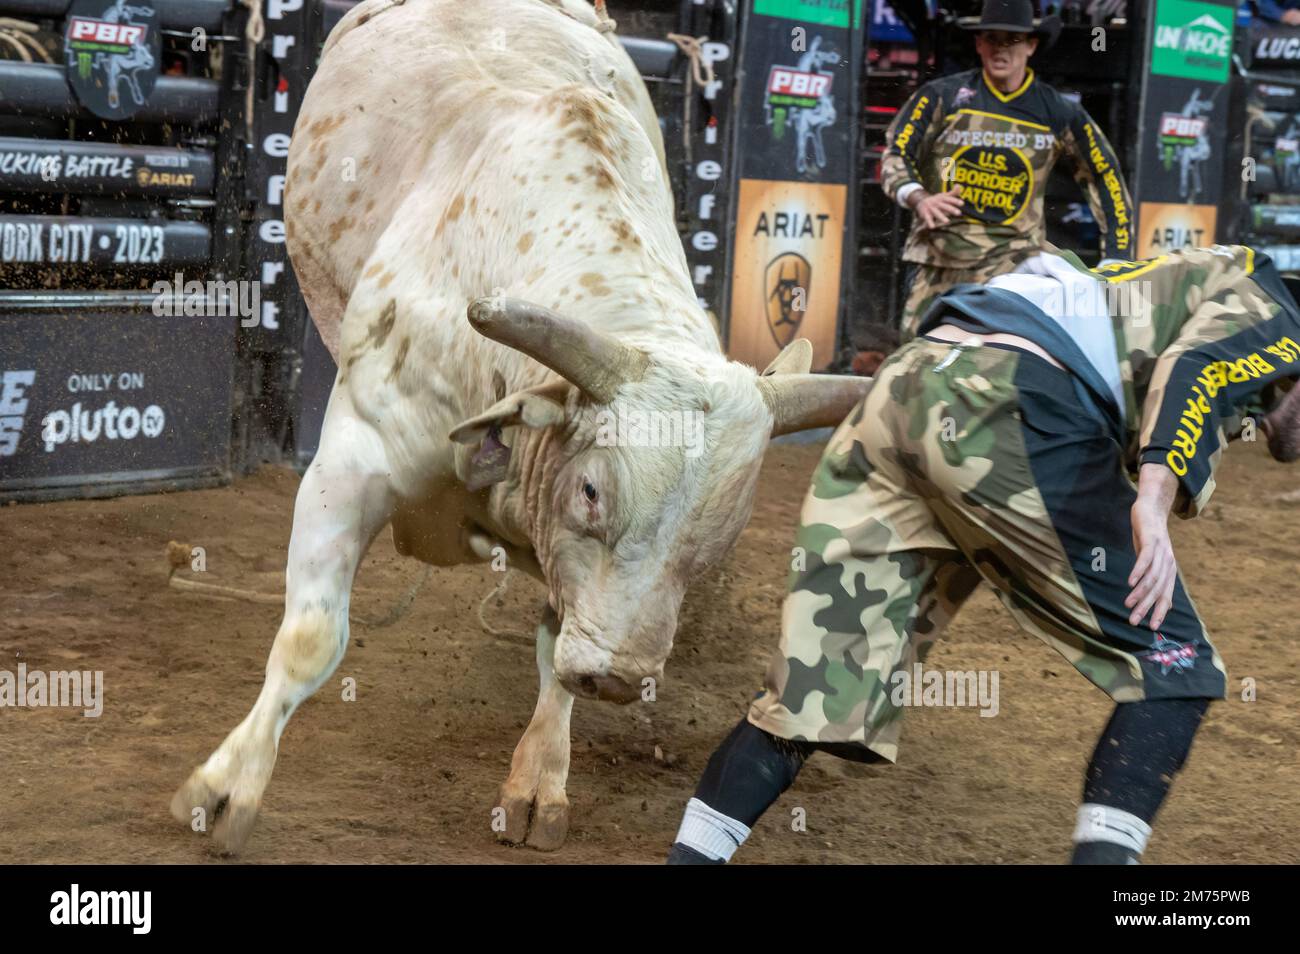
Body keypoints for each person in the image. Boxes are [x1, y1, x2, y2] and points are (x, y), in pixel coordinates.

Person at [666, 244, 1300, 864]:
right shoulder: (1277, 306)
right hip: (1009, 403)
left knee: (812, 696)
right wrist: (1154, 504)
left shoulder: (1163, 278)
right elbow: (1197, 367)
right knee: (1175, 667)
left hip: (905, 389)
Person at [881, 0, 1135, 340]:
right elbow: (896, 153)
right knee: (916, 367)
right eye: (992, 38)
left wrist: (1116, 258)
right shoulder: (941, 97)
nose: (1001, 49)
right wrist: (919, 197)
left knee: (1010, 364)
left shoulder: (1056, 111)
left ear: (1031, 45)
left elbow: (1104, 173)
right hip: (940, 260)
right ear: (979, 43)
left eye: (1012, 40)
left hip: (1017, 264)